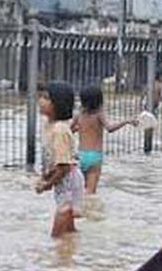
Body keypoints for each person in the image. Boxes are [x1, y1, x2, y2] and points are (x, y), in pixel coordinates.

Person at [35, 82, 85, 238]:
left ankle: (59, 255)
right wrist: (45, 177)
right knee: (69, 231)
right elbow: (55, 160)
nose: (41, 100)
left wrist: (47, 185)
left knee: (56, 235)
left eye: (46, 98)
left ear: (58, 104)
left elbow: (63, 166)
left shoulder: (59, 130)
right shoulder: (49, 125)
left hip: (67, 179)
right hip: (63, 177)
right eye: (41, 96)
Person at [72, 85, 137, 194]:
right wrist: (126, 121)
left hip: (81, 155)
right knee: (91, 192)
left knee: (82, 189)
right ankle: (90, 210)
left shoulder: (79, 115)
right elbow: (110, 128)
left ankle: (79, 209)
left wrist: (80, 128)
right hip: (95, 157)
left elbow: (69, 131)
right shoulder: (99, 115)